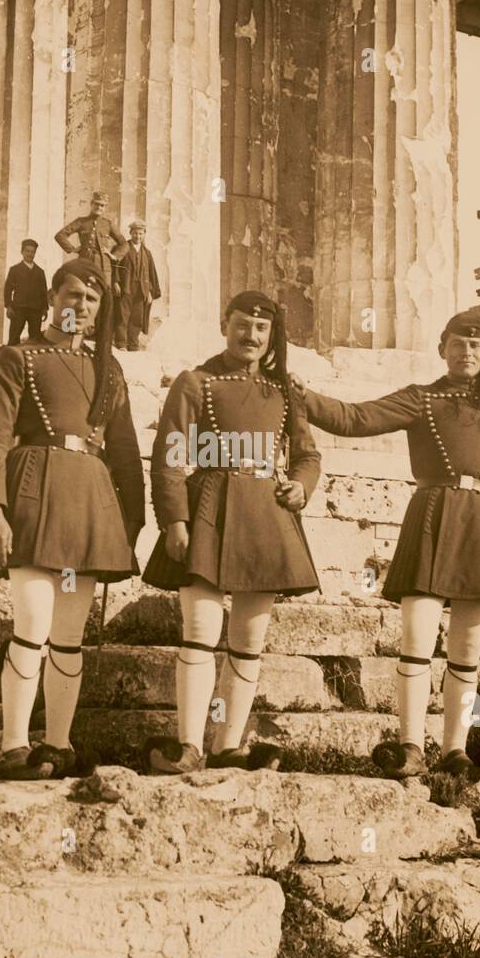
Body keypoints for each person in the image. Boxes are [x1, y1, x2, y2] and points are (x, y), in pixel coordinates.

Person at [291, 310, 480, 781]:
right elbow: (355, 418)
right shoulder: (421, 399)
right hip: (433, 516)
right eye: (457, 344)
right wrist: (303, 397)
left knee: (468, 644)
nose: (466, 352)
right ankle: (410, 746)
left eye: (476, 346)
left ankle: (455, 750)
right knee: (417, 635)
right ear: (442, 349)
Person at [0, 258, 144, 780]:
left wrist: (131, 521)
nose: (80, 306)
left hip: (89, 499)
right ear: (53, 299)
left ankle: (58, 746)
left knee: (69, 634)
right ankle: (15, 747)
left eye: (91, 299)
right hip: (33, 492)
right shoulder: (19, 357)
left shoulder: (109, 370)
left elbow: (126, 453)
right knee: (32, 625)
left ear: (100, 309)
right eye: (71, 295)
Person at [141, 290, 321, 775]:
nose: (251, 335)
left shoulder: (283, 390)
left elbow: (308, 455)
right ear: (226, 324)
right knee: (199, 631)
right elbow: (171, 456)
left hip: (265, 514)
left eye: (261, 329)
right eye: (242, 325)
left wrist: (301, 488)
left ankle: (228, 745)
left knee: (249, 637)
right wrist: (174, 520)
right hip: (209, 508)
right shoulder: (195, 382)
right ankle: (188, 747)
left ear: (271, 336)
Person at [54, 192, 128, 293]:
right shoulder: (81, 222)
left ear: (105, 207)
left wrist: (113, 255)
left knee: (104, 296)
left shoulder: (108, 224)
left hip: (103, 267)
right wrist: (72, 249)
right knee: (85, 293)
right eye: (97, 204)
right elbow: (60, 235)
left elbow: (124, 244)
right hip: (85, 264)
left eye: (102, 205)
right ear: (91, 204)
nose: (99, 207)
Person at [115, 219, 161, 351]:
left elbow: (152, 274)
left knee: (137, 318)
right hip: (126, 287)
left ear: (144, 234)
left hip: (141, 290)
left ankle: (133, 344)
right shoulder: (124, 248)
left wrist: (150, 292)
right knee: (123, 316)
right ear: (130, 233)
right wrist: (116, 282)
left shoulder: (147, 253)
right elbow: (115, 266)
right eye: (135, 233)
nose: (138, 236)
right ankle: (121, 343)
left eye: (141, 234)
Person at [3, 239, 49, 344]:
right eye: (27, 251)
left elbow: (43, 291)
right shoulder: (14, 270)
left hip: (35, 310)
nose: (30, 254)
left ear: (35, 253)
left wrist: (45, 308)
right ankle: (12, 358)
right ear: (22, 252)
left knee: (35, 338)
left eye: (32, 252)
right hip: (18, 309)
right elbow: (8, 289)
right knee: (14, 337)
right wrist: (8, 306)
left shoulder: (40, 272)